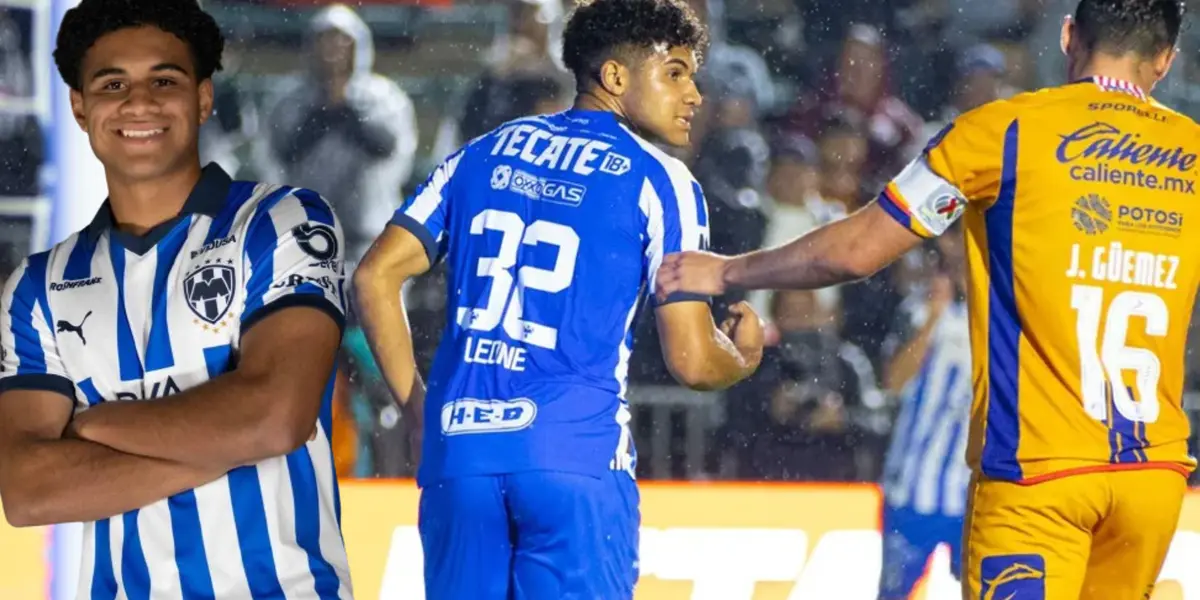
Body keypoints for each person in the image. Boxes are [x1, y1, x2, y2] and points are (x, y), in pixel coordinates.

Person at [656, 0, 1194, 597]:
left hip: (1041, 475)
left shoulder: (1004, 131)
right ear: (1167, 60)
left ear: (1069, 36)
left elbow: (857, 250)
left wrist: (731, 271)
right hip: (1153, 476)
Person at [352, 0, 763, 597]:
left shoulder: (485, 150)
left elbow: (374, 277)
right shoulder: (663, 180)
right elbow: (694, 361)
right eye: (675, 72)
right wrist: (742, 360)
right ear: (616, 77)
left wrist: (421, 410)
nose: (695, 93)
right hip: (573, 458)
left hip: (461, 459)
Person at [0, 1, 354, 598]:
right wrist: (233, 437)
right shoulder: (36, 289)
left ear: (204, 97)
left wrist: (92, 427)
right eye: (113, 84)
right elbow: (29, 491)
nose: (139, 102)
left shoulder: (277, 221)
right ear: (80, 109)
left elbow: (277, 416)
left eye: (164, 80)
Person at [877, 227, 972, 600]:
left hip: (977, 494)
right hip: (913, 490)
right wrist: (933, 319)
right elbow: (893, 381)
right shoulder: (918, 308)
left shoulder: (1007, 313)